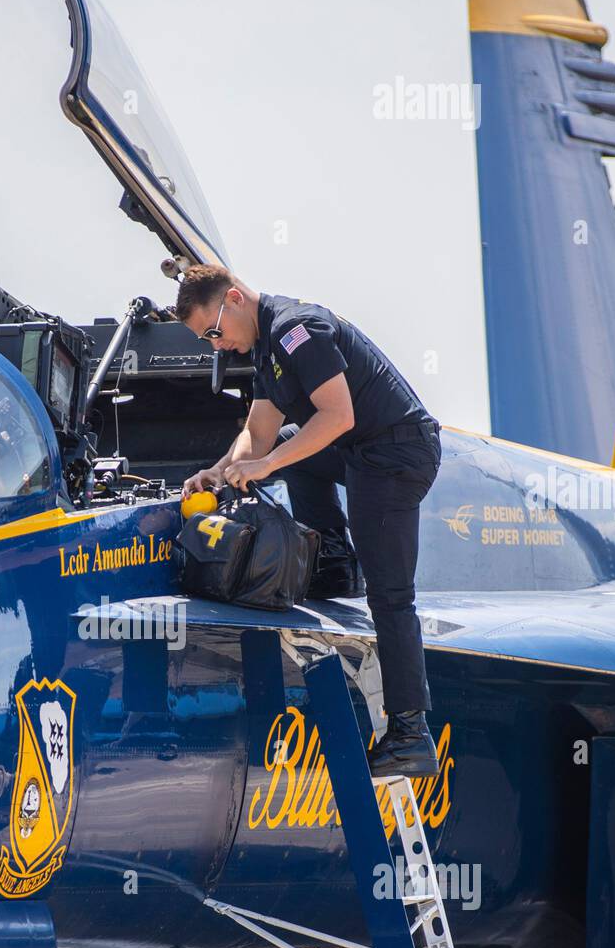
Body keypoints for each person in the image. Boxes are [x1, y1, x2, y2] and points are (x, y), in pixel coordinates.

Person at [177, 264, 441, 777]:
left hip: (395, 454)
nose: (215, 345)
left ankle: (411, 735)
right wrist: (217, 472)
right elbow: (259, 431)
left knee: (391, 596)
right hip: (362, 452)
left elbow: (338, 416)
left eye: (213, 331)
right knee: (285, 446)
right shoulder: (264, 349)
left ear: (233, 299)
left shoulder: (295, 330)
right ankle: (336, 565)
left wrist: (267, 465)